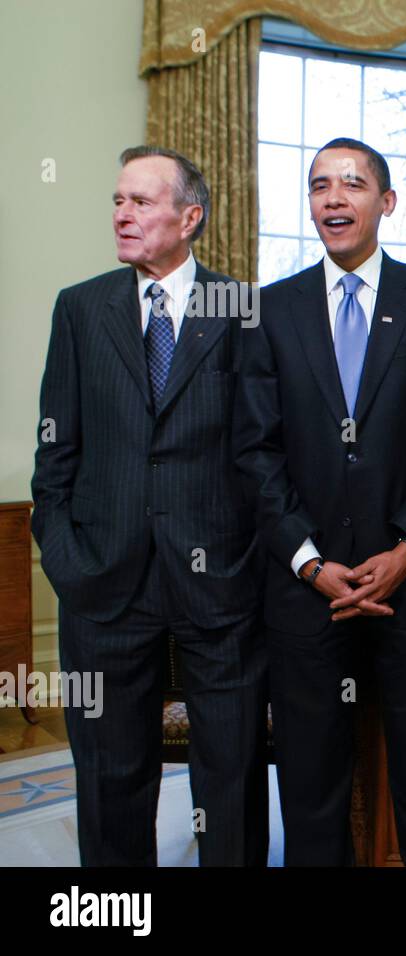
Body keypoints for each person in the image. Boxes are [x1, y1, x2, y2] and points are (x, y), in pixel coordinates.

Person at [233, 137, 406, 865]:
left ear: (386, 203)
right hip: (308, 596)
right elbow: (254, 451)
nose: (334, 198)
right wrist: (309, 562)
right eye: (319, 186)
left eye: (352, 184)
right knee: (311, 791)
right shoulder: (268, 310)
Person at [32, 145, 267, 866]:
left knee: (229, 773)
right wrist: (68, 560)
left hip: (218, 581)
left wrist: (249, 561)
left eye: (140, 201)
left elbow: (264, 451)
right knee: (109, 773)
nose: (122, 214)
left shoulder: (243, 308)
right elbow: (56, 453)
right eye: (117, 201)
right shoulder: (81, 307)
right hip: (103, 582)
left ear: (189, 217)